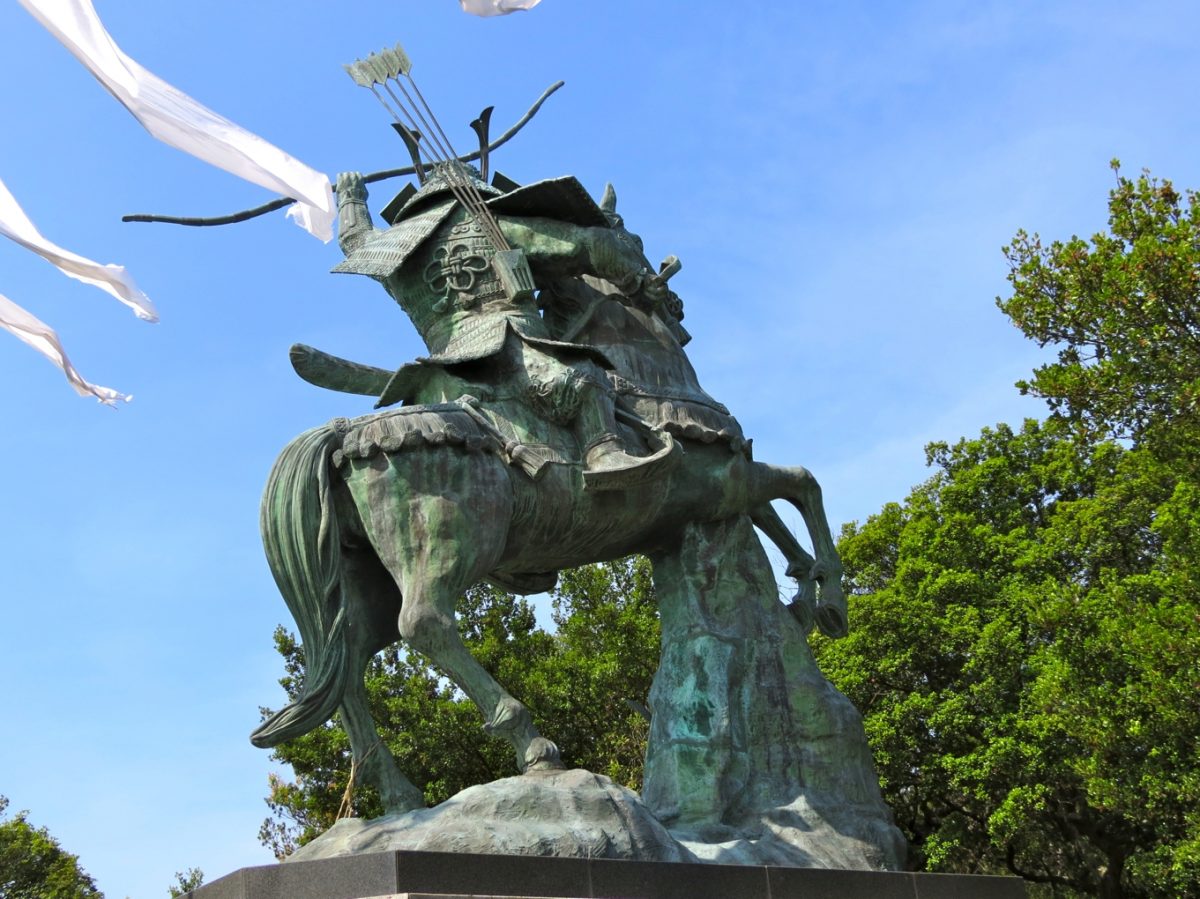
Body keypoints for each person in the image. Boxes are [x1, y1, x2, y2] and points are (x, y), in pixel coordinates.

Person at [332, 164, 673, 489]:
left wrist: (351, 197)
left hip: (443, 366)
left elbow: (355, 240)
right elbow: (591, 242)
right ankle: (603, 453)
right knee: (583, 375)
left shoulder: (396, 254)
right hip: (511, 345)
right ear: (473, 191)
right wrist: (636, 281)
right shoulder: (492, 223)